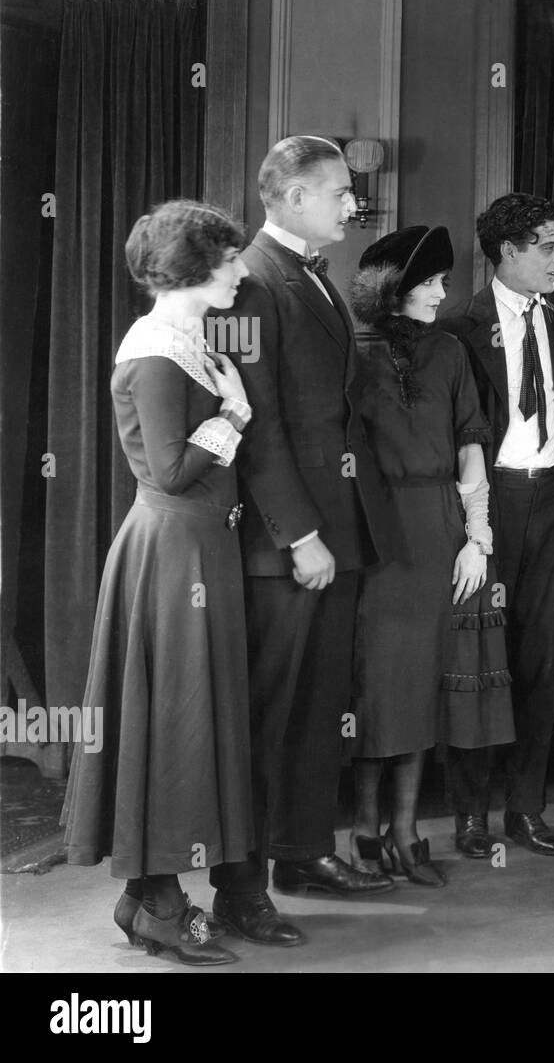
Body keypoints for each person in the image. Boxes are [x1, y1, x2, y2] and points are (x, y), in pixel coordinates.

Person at [210, 136, 398, 948]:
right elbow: (256, 429)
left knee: (321, 707)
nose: (352, 205)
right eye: (337, 193)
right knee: (269, 718)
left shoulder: (310, 275)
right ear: (288, 198)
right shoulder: (251, 282)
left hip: (334, 531)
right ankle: (240, 894)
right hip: (289, 545)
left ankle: (301, 853)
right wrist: (301, 535)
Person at [61, 200, 255, 966]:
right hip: (172, 554)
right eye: (231, 259)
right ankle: (162, 903)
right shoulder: (153, 349)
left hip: (196, 549)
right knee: (175, 720)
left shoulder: (186, 341)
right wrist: (234, 415)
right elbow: (168, 471)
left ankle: (150, 899)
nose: (241, 271)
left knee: (184, 717)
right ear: (196, 267)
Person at [346, 225, 513, 885]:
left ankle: (408, 831)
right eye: (431, 282)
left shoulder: (450, 351)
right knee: (377, 690)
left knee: (422, 687)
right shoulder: (349, 352)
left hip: (440, 528)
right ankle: (363, 829)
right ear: (393, 289)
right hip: (377, 533)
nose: (444, 293)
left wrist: (477, 537)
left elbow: (472, 444)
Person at [440, 193, 554, 858]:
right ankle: (470, 816)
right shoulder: (460, 327)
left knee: (540, 659)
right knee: (480, 662)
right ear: (508, 252)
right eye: (548, 247)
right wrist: (471, 525)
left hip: (551, 503)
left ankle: (527, 808)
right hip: (488, 513)